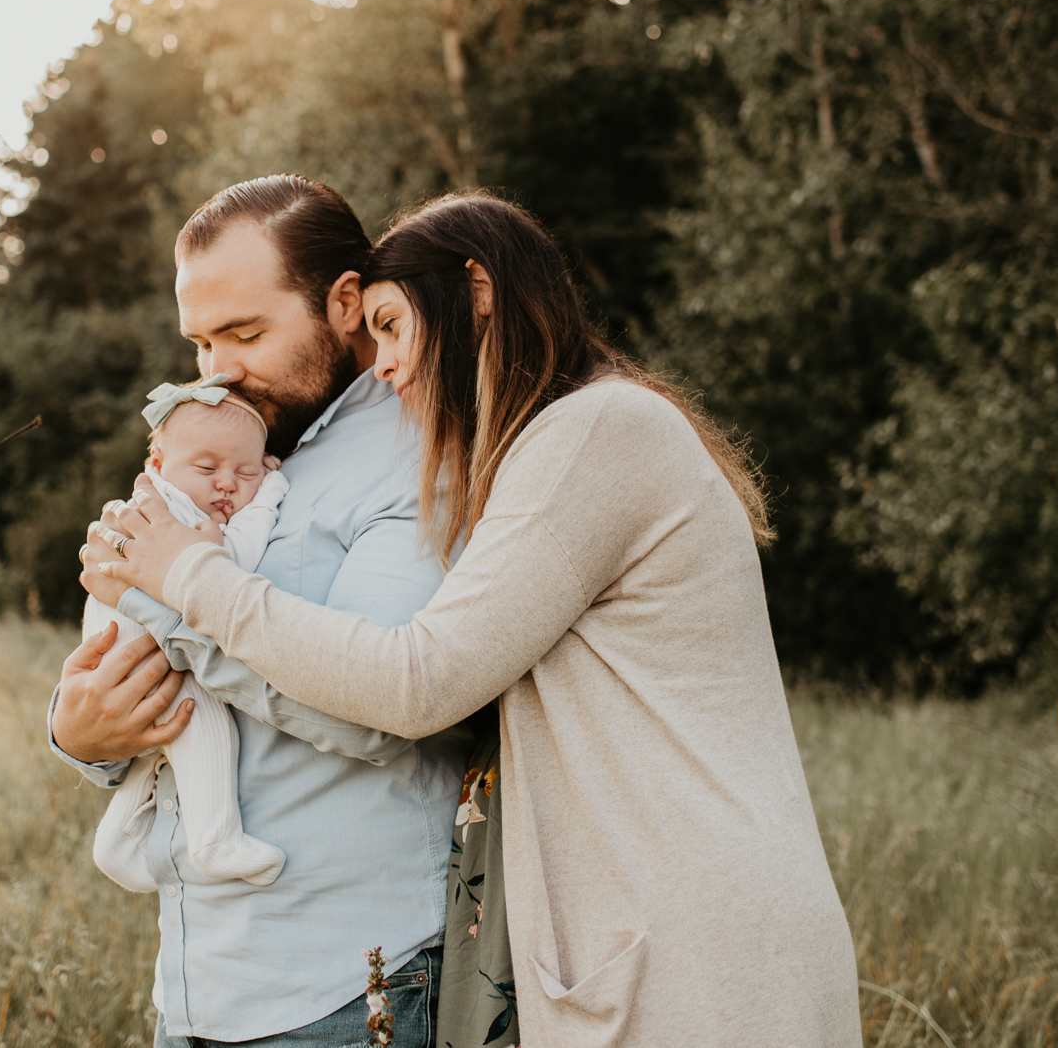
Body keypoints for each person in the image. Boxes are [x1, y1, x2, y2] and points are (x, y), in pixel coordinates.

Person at [89, 191, 865, 1047]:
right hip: (647, 910)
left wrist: (185, 577)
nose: (381, 365)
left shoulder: (596, 432)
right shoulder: (552, 437)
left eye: (392, 325)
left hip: (694, 927)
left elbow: (419, 683)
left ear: (478, 293)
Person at [47, 176, 464, 1047]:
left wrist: (174, 596)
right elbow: (135, 646)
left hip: (346, 985)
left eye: (244, 333)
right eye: (200, 343)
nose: (218, 371)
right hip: (198, 985)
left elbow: (390, 710)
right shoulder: (225, 454)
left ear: (344, 302)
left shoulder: (416, 456)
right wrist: (82, 735)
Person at [80, 380, 290, 892]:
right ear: (156, 464)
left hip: (123, 650)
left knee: (160, 740)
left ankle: (116, 841)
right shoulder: (173, 512)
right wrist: (271, 492)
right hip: (150, 646)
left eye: (246, 472)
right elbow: (231, 565)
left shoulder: (152, 503)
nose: (227, 485)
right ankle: (216, 838)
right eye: (207, 468)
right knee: (201, 719)